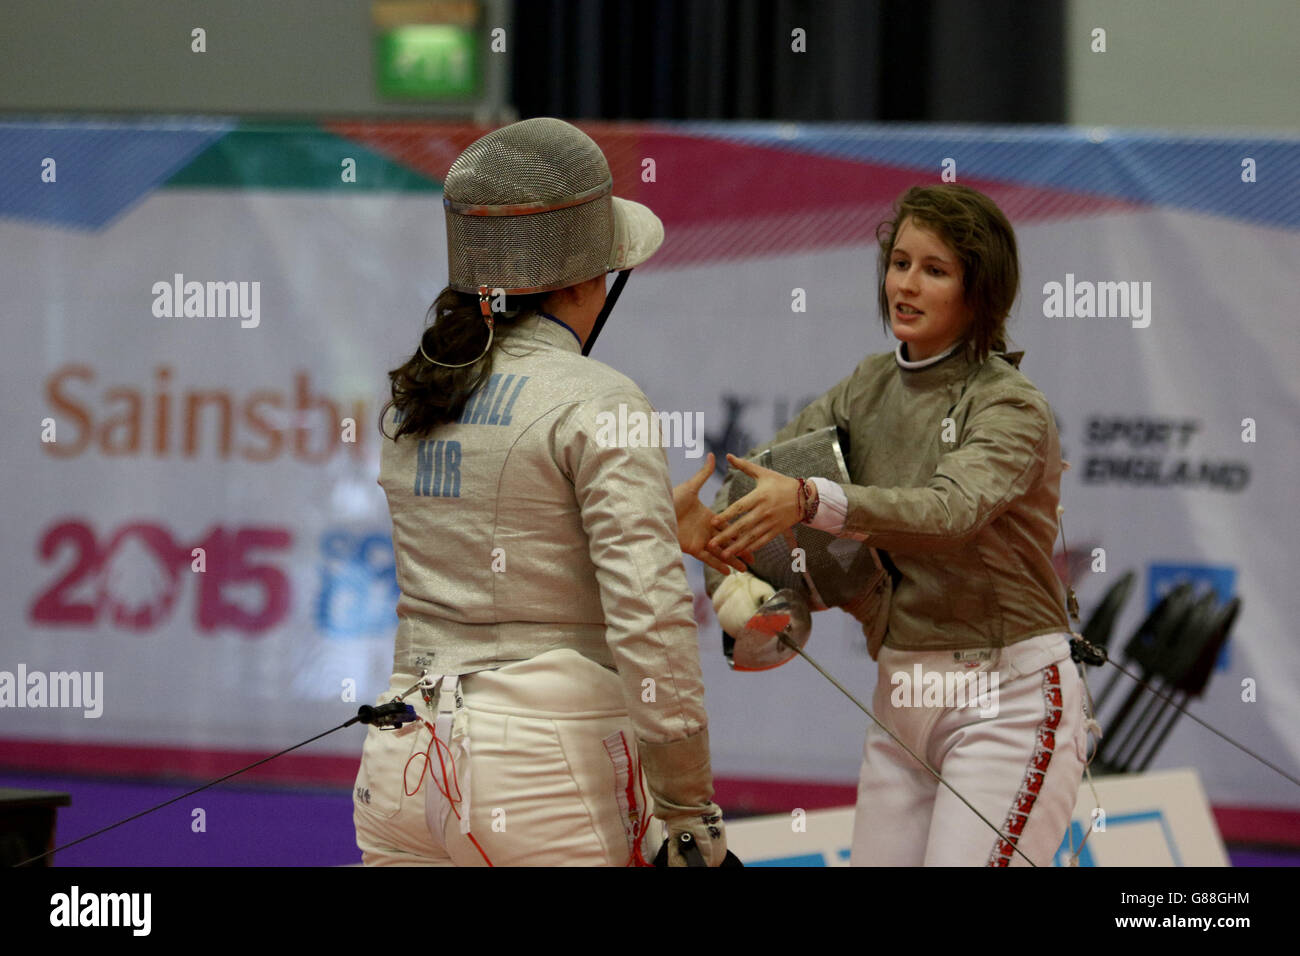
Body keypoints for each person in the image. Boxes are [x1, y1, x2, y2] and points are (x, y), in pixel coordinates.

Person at [353, 117, 740, 866]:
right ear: (586, 277)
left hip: (400, 764)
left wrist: (657, 524)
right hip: (542, 777)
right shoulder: (599, 400)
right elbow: (650, 618)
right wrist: (689, 808)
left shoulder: (418, 395)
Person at [695, 184, 1087, 866]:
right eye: (899, 263)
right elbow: (757, 488)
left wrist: (814, 502)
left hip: (1008, 700)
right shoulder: (866, 387)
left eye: (934, 270)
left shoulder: (1011, 407)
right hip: (902, 693)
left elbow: (948, 514)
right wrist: (714, 549)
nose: (906, 284)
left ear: (979, 291)